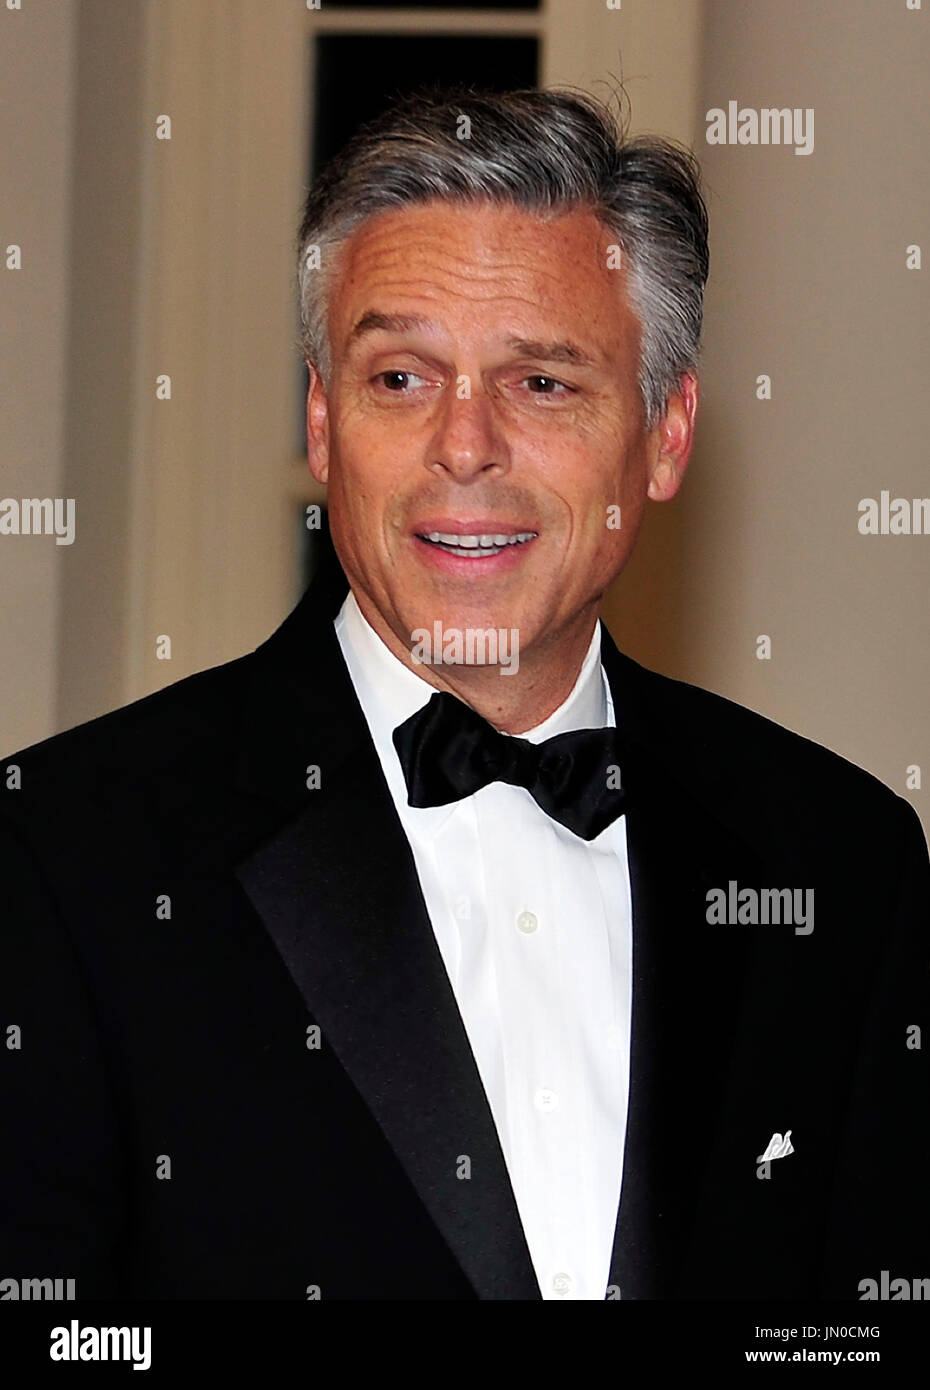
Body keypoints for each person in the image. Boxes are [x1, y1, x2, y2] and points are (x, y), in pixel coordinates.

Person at [1, 86, 926, 1302]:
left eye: (542, 383)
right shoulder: (66, 852)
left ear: (664, 432)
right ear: (325, 426)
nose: (464, 445)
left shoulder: (841, 856)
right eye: (399, 378)